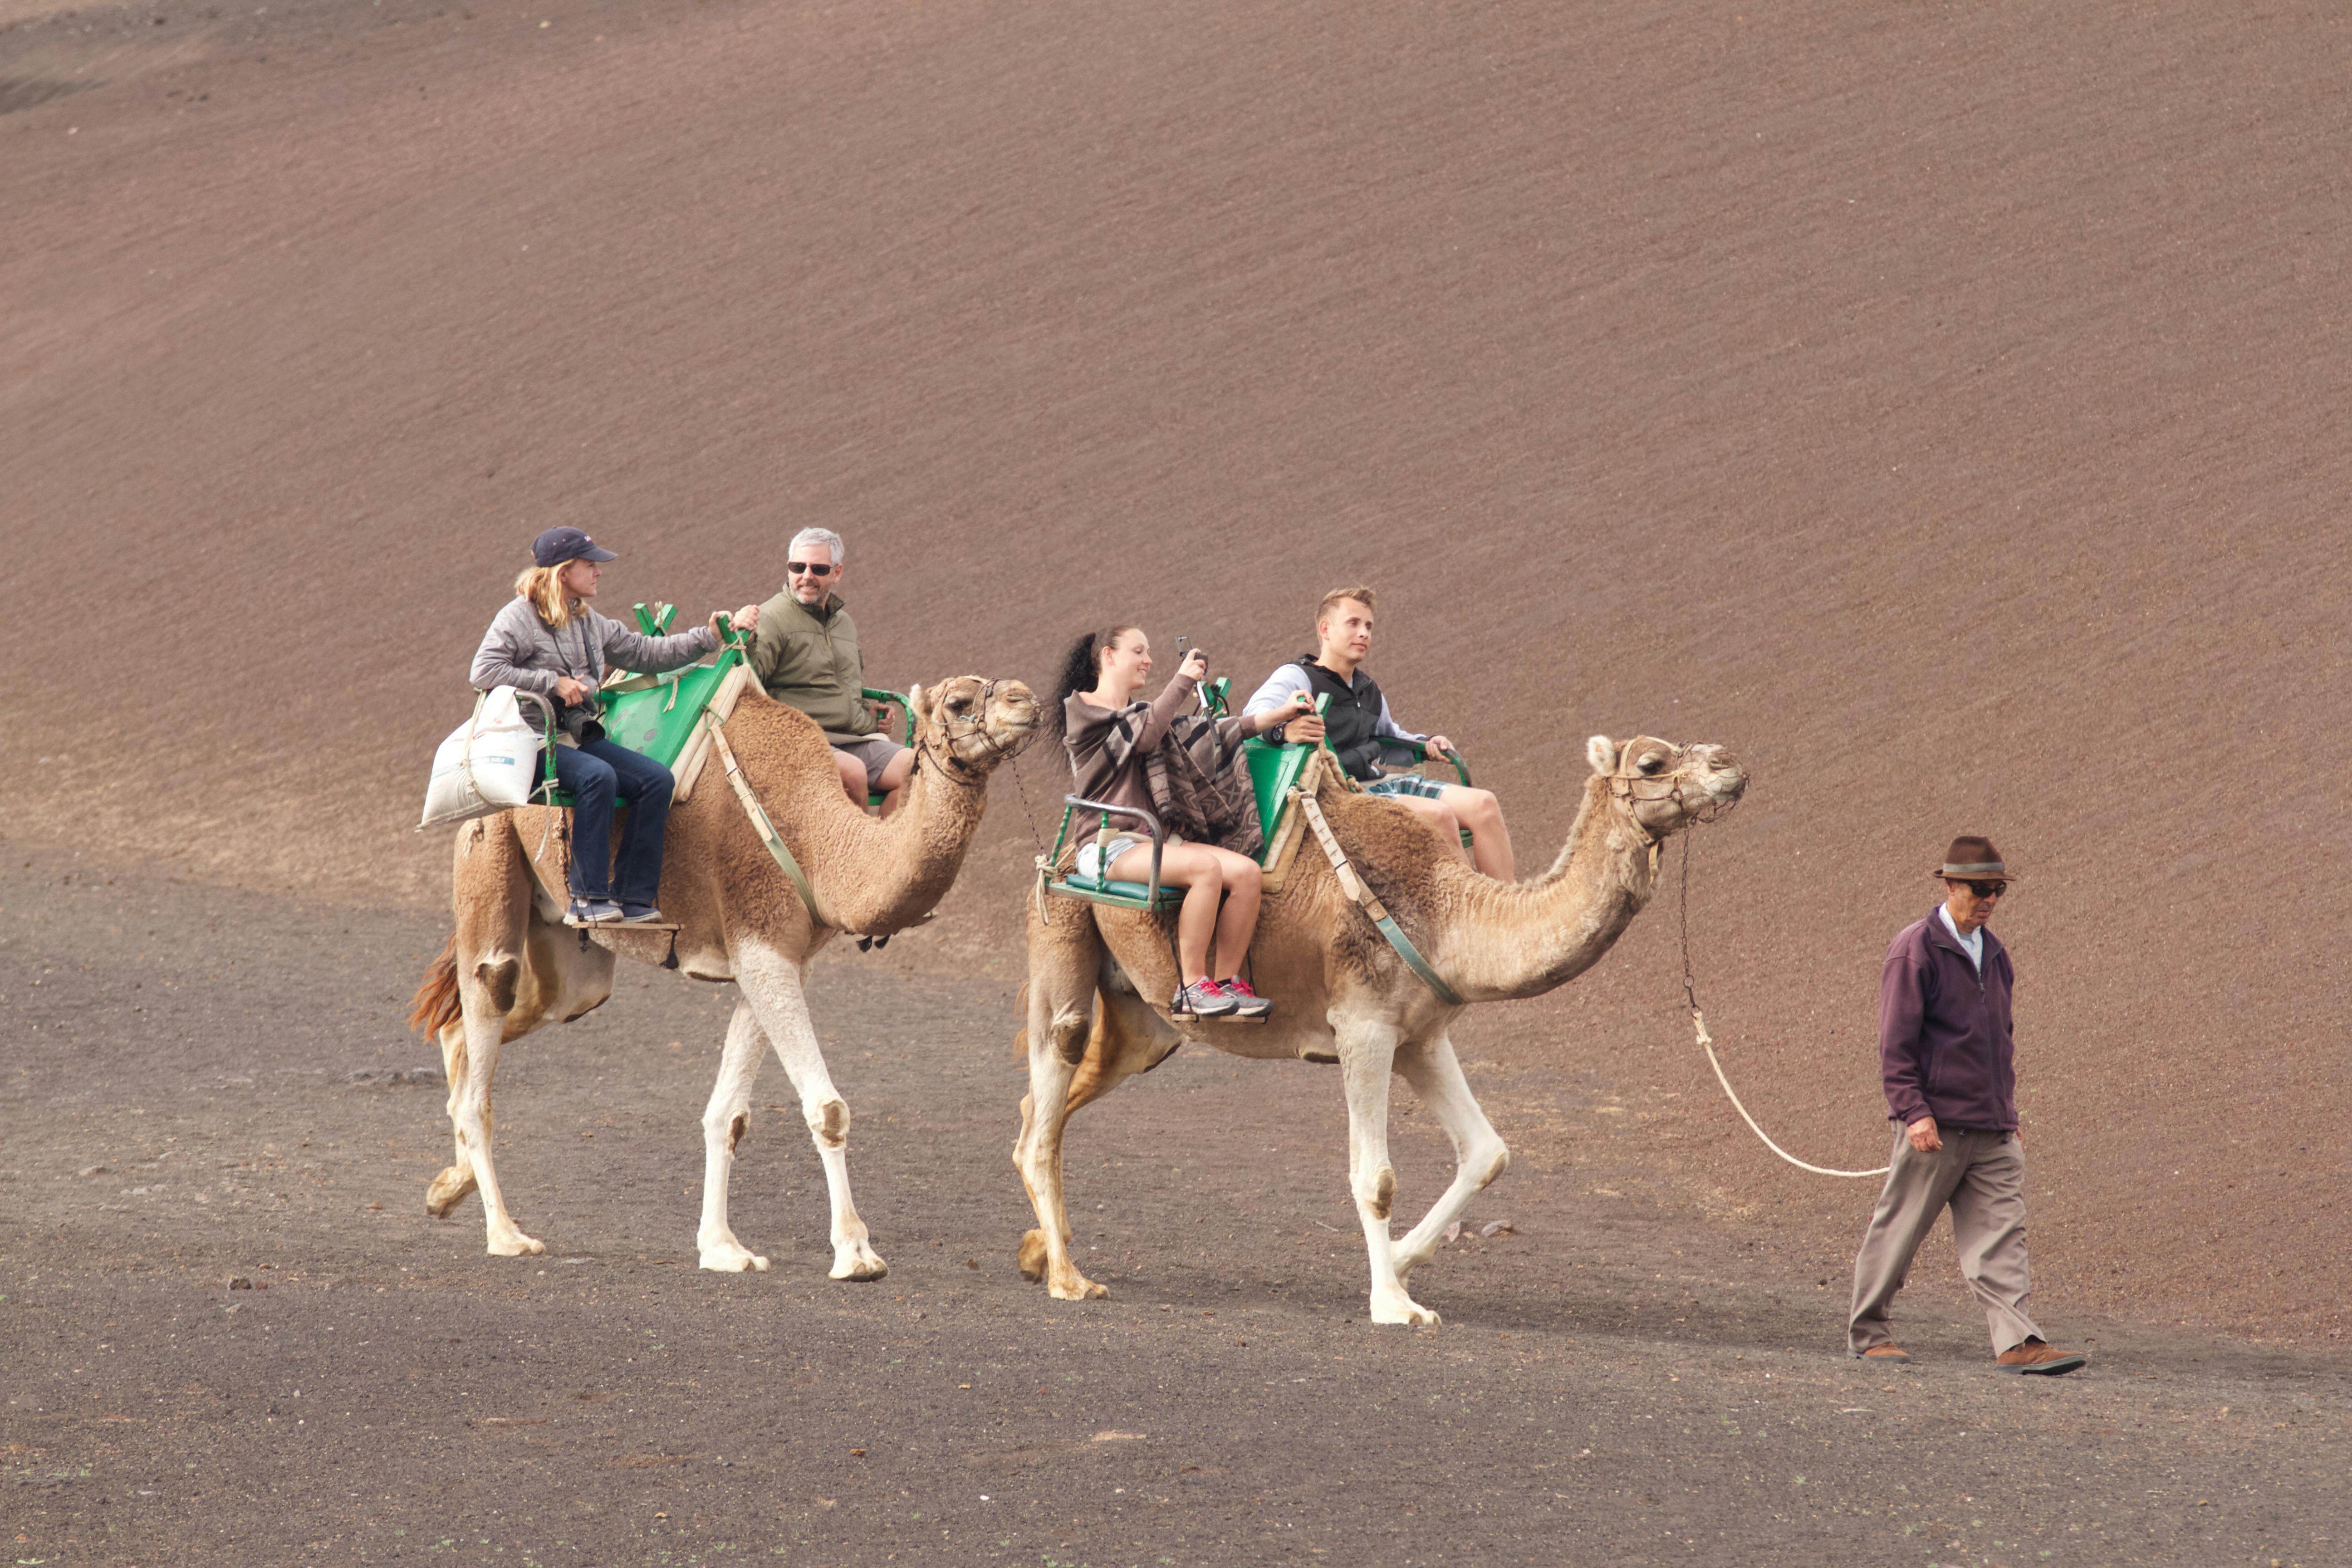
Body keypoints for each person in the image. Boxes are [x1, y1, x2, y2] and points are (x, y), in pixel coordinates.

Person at [1846, 837, 2087, 1375]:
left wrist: (2009, 1115)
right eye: (1981, 889)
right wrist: (1913, 1110)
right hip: (1935, 1126)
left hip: (1992, 1129)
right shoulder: (1916, 949)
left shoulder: (1996, 954)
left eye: (1998, 890)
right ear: (1950, 886)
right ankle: (1869, 1333)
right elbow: (1895, 1043)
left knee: (2002, 1232)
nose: (1991, 900)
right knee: (1901, 1228)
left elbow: (2001, 1040)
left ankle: (2018, 1341)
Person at [470, 526, 761, 927]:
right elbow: (483, 671)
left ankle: (635, 897)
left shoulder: (589, 621)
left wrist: (709, 636)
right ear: (563, 572)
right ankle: (587, 898)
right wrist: (552, 683)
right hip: (530, 741)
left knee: (657, 780)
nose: (599, 573)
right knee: (598, 777)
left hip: (576, 735)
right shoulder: (517, 617)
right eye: (591, 565)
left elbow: (647, 653)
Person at [1051, 626, 1312, 1021]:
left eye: (1149, 651)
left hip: (1152, 841)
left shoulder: (1137, 715)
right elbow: (1145, 734)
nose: (1148, 659)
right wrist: (1182, 682)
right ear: (1108, 655)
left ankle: (1226, 983)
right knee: (1206, 869)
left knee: (1245, 873)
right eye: (1139, 651)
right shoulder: (1085, 712)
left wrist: (1277, 717)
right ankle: (1191, 988)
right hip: (1109, 846)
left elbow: (1208, 733)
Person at [1242, 586, 1515, 881]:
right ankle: (1473, 917)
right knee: (1439, 816)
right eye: (1354, 624)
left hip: (1378, 783)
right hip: (1342, 797)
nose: (1364, 634)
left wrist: (1426, 744)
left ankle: (1508, 915)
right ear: (1326, 630)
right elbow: (1252, 717)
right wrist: (1285, 729)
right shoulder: (1297, 676)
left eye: (1369, 626)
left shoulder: (1367, 689)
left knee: (1484, 804)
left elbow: (1389, 738)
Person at [750, 527, 915, 816]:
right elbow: (751, 678)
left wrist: (869, 715)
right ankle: (847, 858)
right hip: (800, 738)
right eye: (798, 567)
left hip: (850, 738)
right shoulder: (771, 618)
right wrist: (745, 641)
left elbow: (844, 684)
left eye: (819, 568)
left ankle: (883, 858)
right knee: (853, 773)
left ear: (837, 573)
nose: (807, 576)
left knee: (917, 771)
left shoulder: (844, 624)